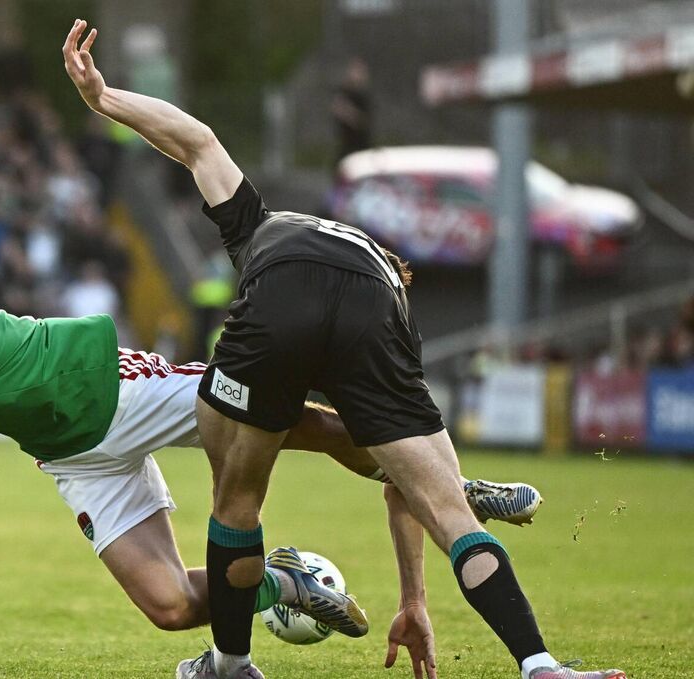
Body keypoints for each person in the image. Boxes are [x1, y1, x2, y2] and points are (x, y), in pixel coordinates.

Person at [61, 19, 624, 679]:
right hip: (371, 314)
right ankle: (539, 663)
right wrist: (414, 597)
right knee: (441, 502)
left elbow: (197, 142)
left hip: (278, 291)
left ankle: (231, 664)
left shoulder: (262, 223)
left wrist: (105, 99)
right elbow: (400, 491)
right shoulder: (395, 300)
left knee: (237, 496)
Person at [0, 238, 540, 656]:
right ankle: (287, 579)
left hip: (117, 388)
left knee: (309, 428)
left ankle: (452, 488)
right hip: (76, 455)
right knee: (172, 607)